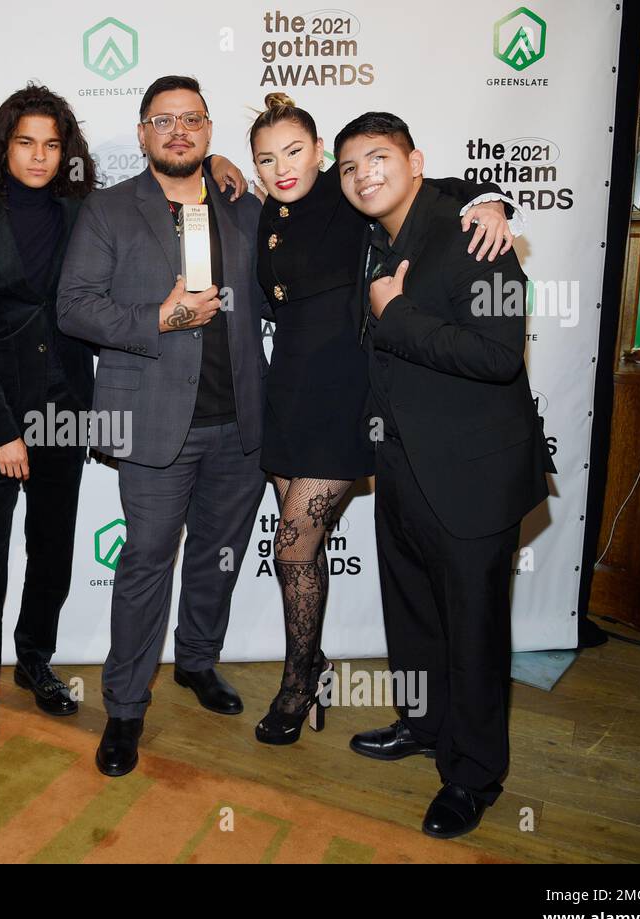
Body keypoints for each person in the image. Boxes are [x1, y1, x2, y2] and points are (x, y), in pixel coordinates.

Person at [0, 84, 249, 774]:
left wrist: (220, 163)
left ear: (66, 151)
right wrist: (4, 429)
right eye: (25, 142)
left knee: (53, 552)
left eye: (51, 143)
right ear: (1, 147)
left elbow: (174, 192)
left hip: (70, 411)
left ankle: (35, 660)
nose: (39, 155)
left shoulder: (87, 214)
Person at [247, 93, 522, 747]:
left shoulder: (351, 202)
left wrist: (490, 198)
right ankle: (365, 693)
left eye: (294, 151)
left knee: (292, 543)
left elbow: (429, 189)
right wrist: (224, 166)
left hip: (345, 404)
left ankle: (299, 680)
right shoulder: (267, 213)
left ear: (318, 153)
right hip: (287, 396)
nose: (282, 167)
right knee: (312, 560)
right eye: (265, 158)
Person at [335, 111, 554, 838]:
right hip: (399, 465)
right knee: (415, 615)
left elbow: (497, 355)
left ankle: (473, 773)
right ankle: (425, 725)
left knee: (473, 630)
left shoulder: (478, 235)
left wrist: (395, 314)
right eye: (350, 166)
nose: (364, 173)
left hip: (470, 474)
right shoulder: (376, 236)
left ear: (415, 161)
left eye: (379, 158)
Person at [57, 75, 268, 778]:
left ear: (209, 131)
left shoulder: (244, 204)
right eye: (163, 120)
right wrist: (156, 318)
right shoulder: (109, 210)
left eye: (192, 120)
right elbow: (75, 307)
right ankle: (123, 707)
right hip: (151, 424)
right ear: (144, 132)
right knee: (146, 563)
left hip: (240, 422)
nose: (178, 131)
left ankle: (198, 661)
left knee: (218, 555)